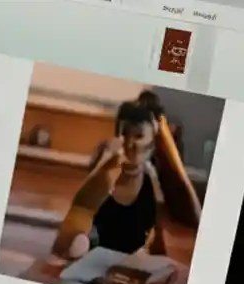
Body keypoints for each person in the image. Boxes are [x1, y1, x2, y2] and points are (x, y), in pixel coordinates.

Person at [51, 98, 169, 260]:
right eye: (126, 135)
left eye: (139, 136)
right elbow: (77, 224)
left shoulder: (151, 178)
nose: (130, 143)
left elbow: (157, 228)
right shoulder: (108, 171)